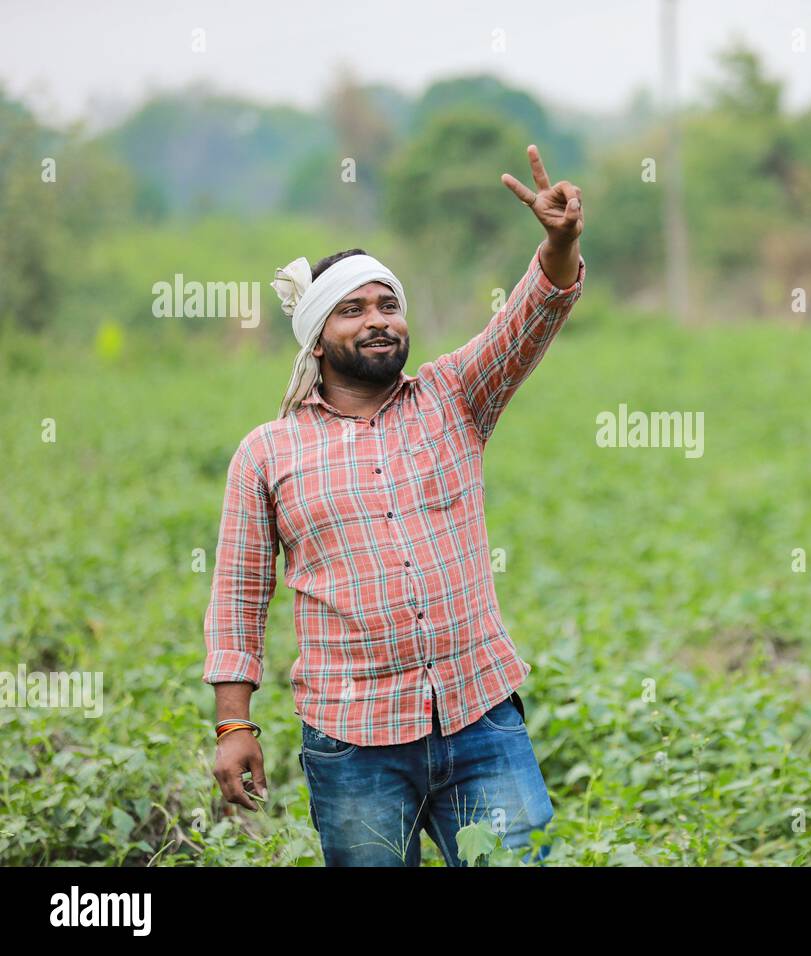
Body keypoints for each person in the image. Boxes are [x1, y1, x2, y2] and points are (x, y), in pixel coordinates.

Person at [202, 145, 584, 866]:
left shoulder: (454, 397)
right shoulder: (268, 452)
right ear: (317, 339)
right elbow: (237, 598)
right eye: (352, 310)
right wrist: (233, 727)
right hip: (353, 743)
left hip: (479, 718)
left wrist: (557, 244)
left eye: (388, 305)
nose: (378, 321)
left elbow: (529, 321)